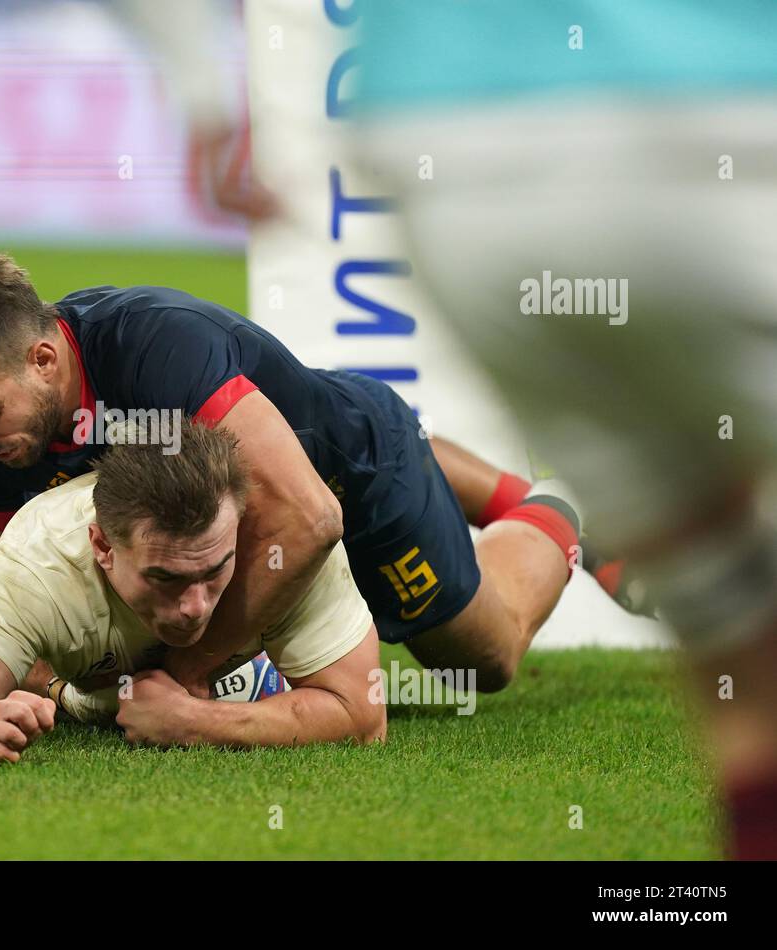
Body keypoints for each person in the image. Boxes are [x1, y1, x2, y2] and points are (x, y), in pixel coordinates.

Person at [347, 0, 777, 858]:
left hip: (454, 174)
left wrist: (204, 96)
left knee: (735, 639)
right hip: (725, 121)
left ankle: (580, 516)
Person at [0, 249, 594, 699]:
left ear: (43, 360)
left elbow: (309, 517)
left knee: (481, 659)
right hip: (263, 488)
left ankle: (564, 499)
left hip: (351, 475)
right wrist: (42, 683)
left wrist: (188, 675)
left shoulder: (158, 344)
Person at [0, 421, 383, 762]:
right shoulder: (36, 563)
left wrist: (195, 722)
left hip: (84, 672)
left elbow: (363, 719)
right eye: (165, 578)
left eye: (214, 571)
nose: (194, 608)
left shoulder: (281, 547)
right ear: (101, 545)